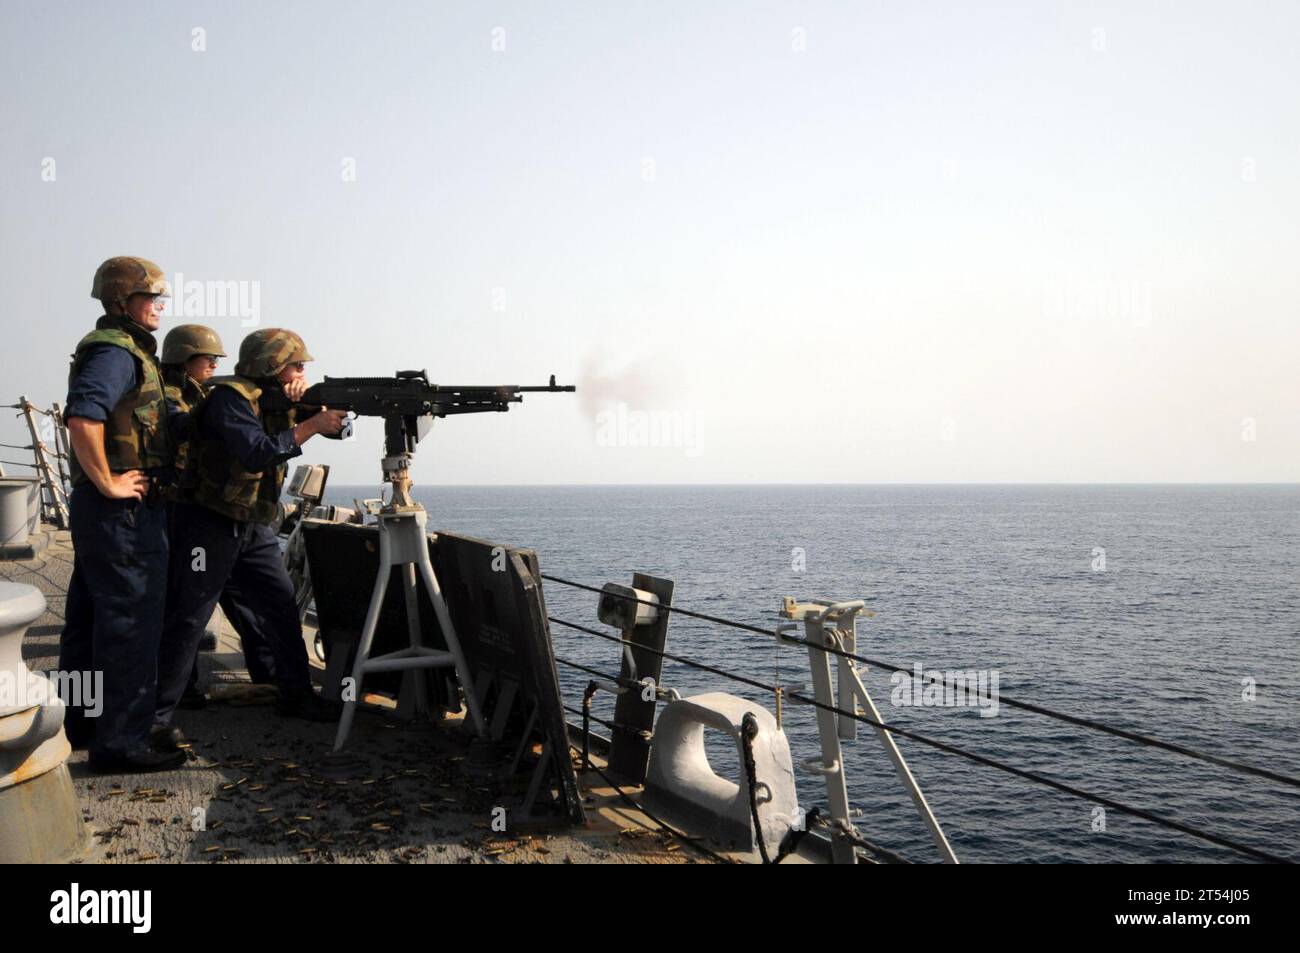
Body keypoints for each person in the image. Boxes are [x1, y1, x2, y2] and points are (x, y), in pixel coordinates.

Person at [154, 328, 347, 740]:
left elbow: (337, 430)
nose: (301, 371)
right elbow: (258, 451)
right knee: (190, 617)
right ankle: (155, 718)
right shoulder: (229, 400)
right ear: (272, 366)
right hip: (209, 521)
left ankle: (295, 695)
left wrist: (318, 407)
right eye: (295, 364)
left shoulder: (277, 400)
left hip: (253, 524)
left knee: (280, 607)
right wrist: (311, 423)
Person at [60, 256, 187, 772]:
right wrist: (109, 481)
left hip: (103, 513)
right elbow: (83, 416)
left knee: (90, 621)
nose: (159, 306)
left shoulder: (121, 350)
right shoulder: (115, 353)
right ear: (122, 302)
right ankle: (121, 745)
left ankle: (84, 724)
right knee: (131, 624)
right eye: (151, 296)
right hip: (124, 514)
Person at [158, 325, 277, 707]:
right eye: (205, 357)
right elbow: (178, 431)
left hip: (214, 512)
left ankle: (269, 676)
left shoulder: (206, 395)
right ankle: (179, 693)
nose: (213, 363)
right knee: (187, 607)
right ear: (182, 359)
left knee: (236, 600)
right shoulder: (172, 397)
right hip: (183, 510)